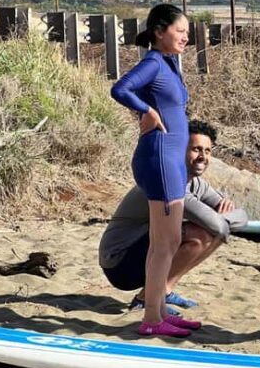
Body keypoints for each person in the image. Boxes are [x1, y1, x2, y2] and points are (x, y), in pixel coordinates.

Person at [99, 120, 248, 334]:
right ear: (180, 150)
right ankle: (147, 298)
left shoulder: (196, 183)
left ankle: (163, 292)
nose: (203, 157)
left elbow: (243, 216)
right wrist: (220, 220)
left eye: (207, 151)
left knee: (207, 231)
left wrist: (221, 220)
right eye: (196, 149)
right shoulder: (170, 181)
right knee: (201, 233)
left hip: (149, 252)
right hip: (119, 261)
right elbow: (219, 226)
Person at [109, 3, 197, 337]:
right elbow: (120, 89)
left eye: (187, 32)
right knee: (165, 244)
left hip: (171, 159)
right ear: (159, 31)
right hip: (158, 158)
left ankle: (158, 310)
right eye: (179, 30)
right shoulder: (152, 63)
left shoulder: (169, 63)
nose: (185, 37)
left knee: (168, 241)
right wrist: (146, 110)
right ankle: (151, 319)